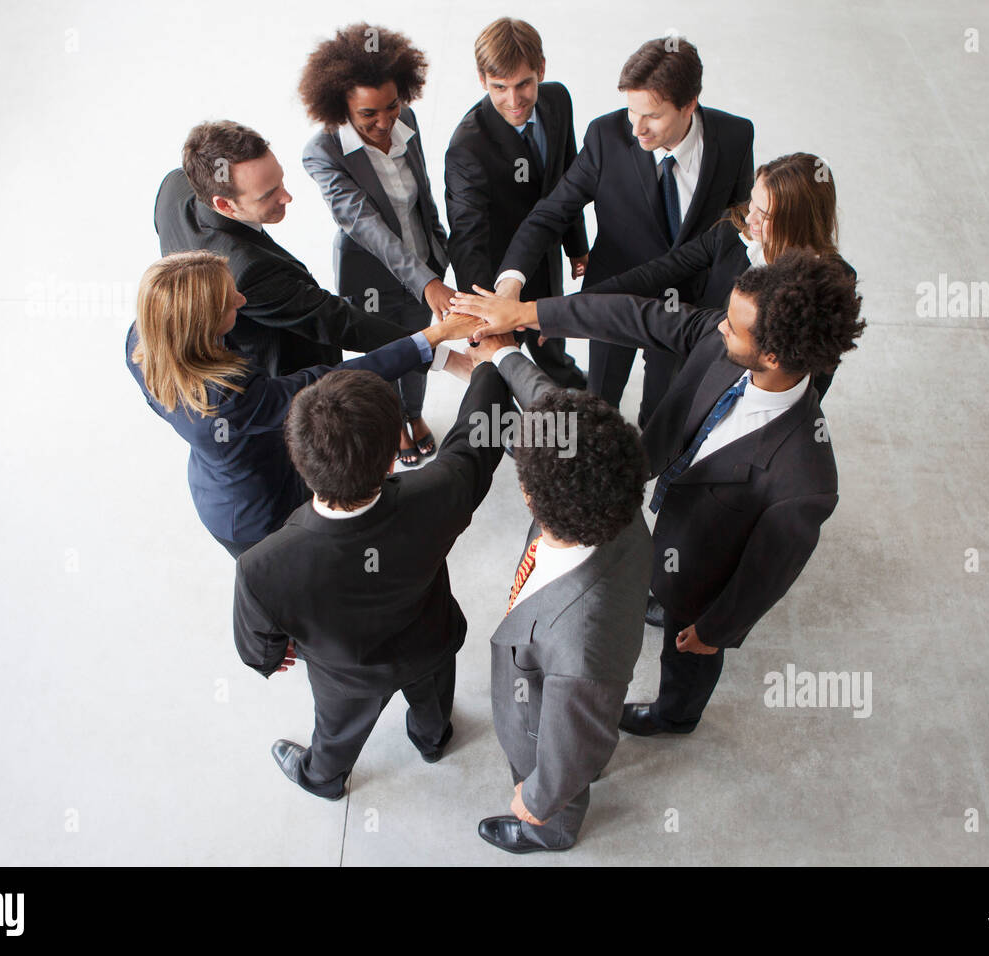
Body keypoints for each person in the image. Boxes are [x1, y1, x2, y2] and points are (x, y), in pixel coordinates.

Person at [453, 249, 865, 734]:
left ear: (772, 356)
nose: (718, 329)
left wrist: (714, 631)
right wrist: (528, 313)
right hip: (664, 512)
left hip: (698, 576)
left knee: (687, 649)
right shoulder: (727, 339)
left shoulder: (806, 480)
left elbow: (766, 575)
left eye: (733, 328)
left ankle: (677, 715)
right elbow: (635, 316)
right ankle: (661, 597)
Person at [232, 359, 512, 801]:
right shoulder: (439, 492)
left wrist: (271, 656)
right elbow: (475, 444)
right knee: (433, 705)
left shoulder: (262, 566)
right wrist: (490, 368)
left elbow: (258, 652)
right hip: (429, 643)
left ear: (299, 460)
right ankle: (432, 741)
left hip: (344, 676)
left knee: (336, 733)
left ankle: (322, 778)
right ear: (389, 458)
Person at [126, 250, 475, 557]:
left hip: (215, 482)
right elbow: (332, 379)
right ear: (200, 325)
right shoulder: (228, 397)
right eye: (228, 301)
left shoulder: (143, 339)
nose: (241, 300)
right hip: (259, 514)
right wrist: (436, 335)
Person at [493, 35, 754, 428]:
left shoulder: (735, 137)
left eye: (652, 116)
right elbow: (551, 213)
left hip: (686, 309)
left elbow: (737, 228)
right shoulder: (606, 137)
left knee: (662, 414)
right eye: (632, 111)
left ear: (689, 105)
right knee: (600, 403)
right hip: (611, 297)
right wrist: (511, 282)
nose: (637, 129)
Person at [464, 336, 651, 853]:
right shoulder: (611, 493)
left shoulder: (580, 647)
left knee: (564, 782)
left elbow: (576, 740)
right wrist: (504, 355)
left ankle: (553, 834)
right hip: (584, 672)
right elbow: (552, 404)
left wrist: (541, 797)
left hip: (543, 728)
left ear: (530, 496)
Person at [300, 23, 455, 467]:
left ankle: (414, 413)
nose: (385, 122)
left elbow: (423, 197)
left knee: (421, 344)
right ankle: (392, 427)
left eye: (392, 105)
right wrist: (426, 283)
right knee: (386, 356)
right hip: (372, 278)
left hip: (424, 267)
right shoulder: (322, 153)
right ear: (339, 107)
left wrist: (437, 261)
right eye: (369, 114)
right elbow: (366, 225)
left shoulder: (406, 120)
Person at [154, 120, 413, 377]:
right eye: (268, 194)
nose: (287, 197)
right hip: (290, 373)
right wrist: (429, 344)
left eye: (280, 180)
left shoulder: (174, 186)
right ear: (224, 205)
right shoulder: (248, 270)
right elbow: (336, 320)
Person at [587, 152, 853, 400]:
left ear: (799, 221)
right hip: (694, 372)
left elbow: (820, 369)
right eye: (752, 203)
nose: (750, 219)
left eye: (765, 214)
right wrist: (574, 303)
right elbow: (659, 270)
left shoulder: (834, 282)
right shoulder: (730, 232)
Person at [444, 17, 588, 390]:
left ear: (541, 68)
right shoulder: (467, 146)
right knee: (502, 364)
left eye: (524, 83)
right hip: (495, 272)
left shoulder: (558, 100)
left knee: (552, 342)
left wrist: (576, 246)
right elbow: (466, 235)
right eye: (499, 87)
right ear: (482, 80)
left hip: (546, 257)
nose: (514, 100)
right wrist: (482, 314)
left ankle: (571, 393)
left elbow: (567, 178)